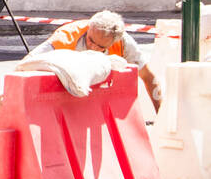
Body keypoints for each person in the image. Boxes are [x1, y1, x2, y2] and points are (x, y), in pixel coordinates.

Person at [26, 10, 162, 111]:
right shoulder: (67, 36)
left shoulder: (124, 42)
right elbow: (28, 62)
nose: (93, 47)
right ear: (89, 28)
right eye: (90, 40)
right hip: (64, 99)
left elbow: (148, 77)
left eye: (101, 47)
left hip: (100, 101)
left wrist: (160, 116)